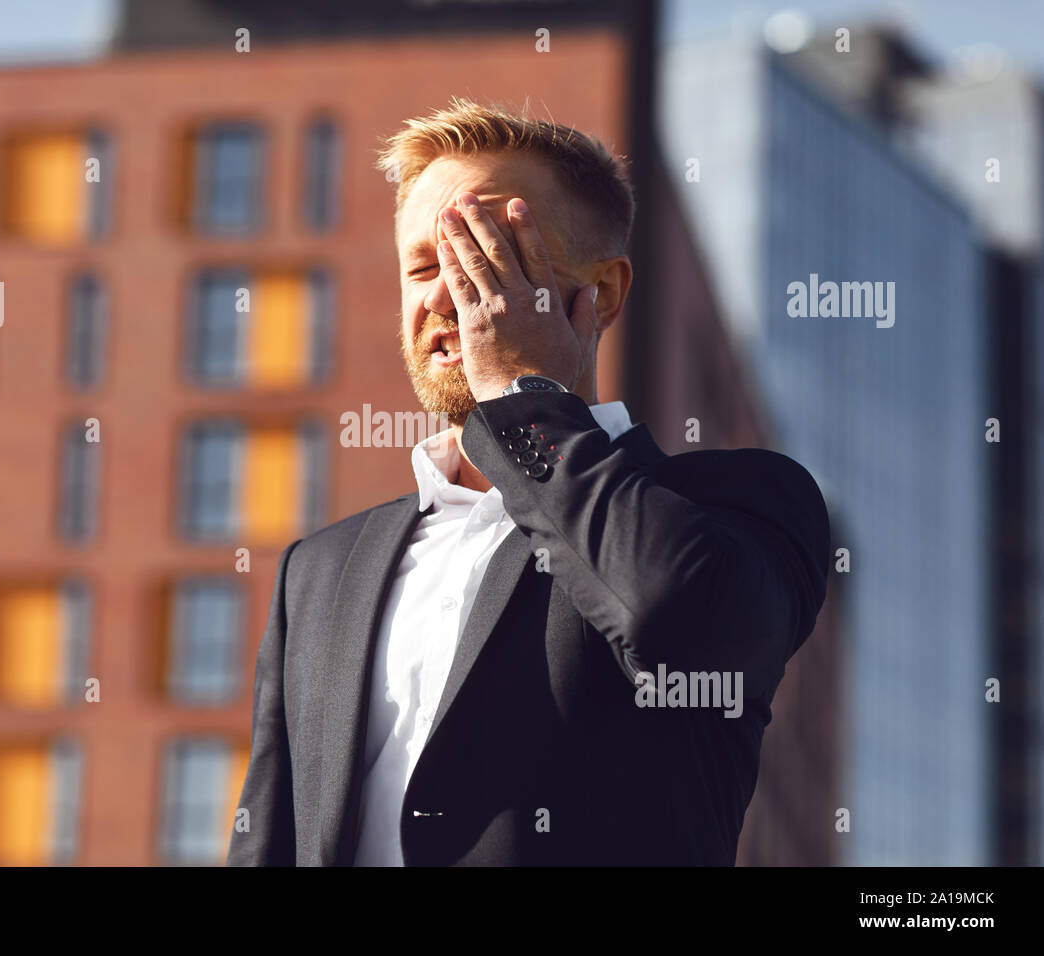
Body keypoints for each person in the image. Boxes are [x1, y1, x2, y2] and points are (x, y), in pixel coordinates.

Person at [227, 97, 830, 866]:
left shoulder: (734, 504)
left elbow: (683, 631)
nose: (448, 292)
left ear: (603, 292)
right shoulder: (317, 570)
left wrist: (519, 386)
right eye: (425, 265)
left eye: (491, 253)